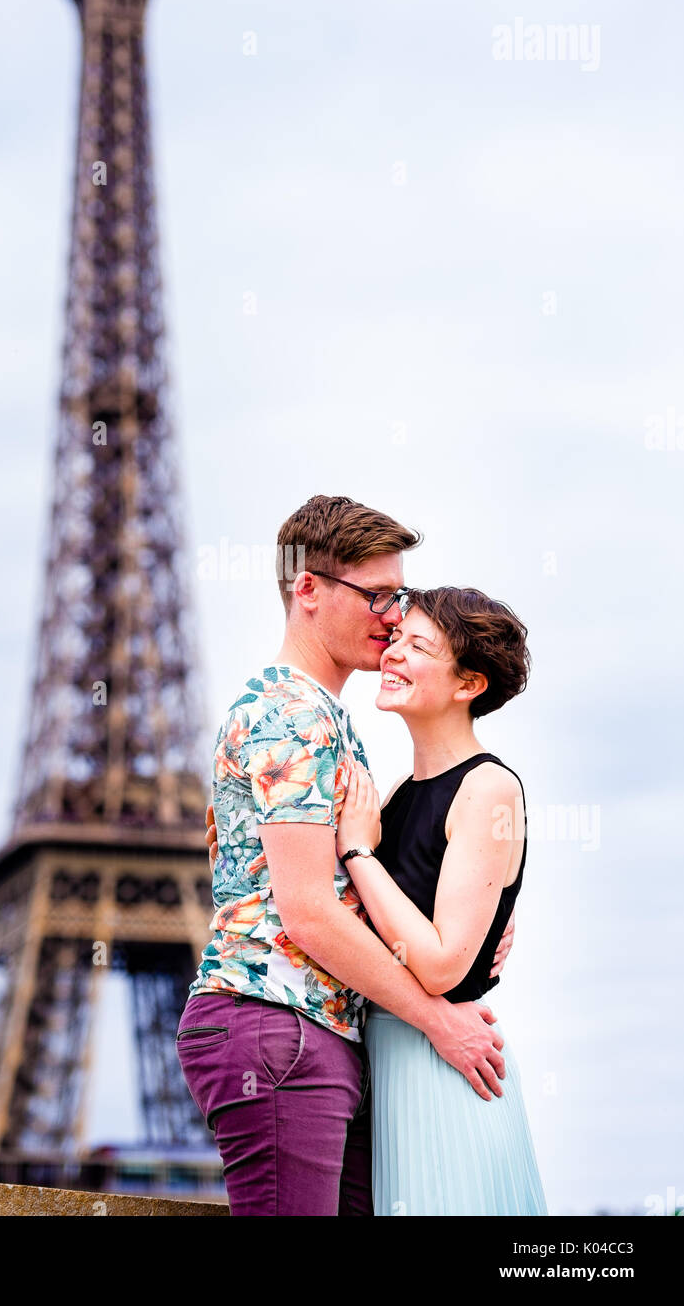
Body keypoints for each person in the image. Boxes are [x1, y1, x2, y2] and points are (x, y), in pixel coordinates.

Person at [176, 495, 514, 1216]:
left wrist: (475, 928)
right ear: (307, 590)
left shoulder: (323, 718)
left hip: (306, 1028)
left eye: (398, 597)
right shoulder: (292, 716)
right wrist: (438, 1019)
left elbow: (331, 888)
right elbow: (306, 910)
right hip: (277, 1023)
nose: (393, 616)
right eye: (378, 596)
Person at [335, 586, 548, 1215]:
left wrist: (357, 854)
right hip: (396, 1063)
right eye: (397, 637)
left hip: (442, 1075)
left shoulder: (489, 788)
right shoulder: (398, 788)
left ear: (468, 685)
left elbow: (439, 965)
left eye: (418, 645)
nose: (393, 653)